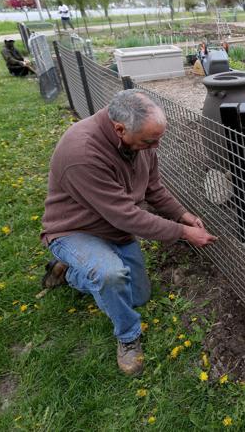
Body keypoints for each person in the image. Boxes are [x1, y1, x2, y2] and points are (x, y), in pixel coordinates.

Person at [40, 90, 217, 376]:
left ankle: (73, 271)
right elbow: (127, 215)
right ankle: (127, 338)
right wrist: (183, 232)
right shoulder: (82, 154)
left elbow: (153, 188)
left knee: (137, 296)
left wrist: (182, 215)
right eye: (150, 141)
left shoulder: (141, 143)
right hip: (75, 230)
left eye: (158, 138)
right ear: (120, 129)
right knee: (110, 276)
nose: (155, 146)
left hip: (113, 229)